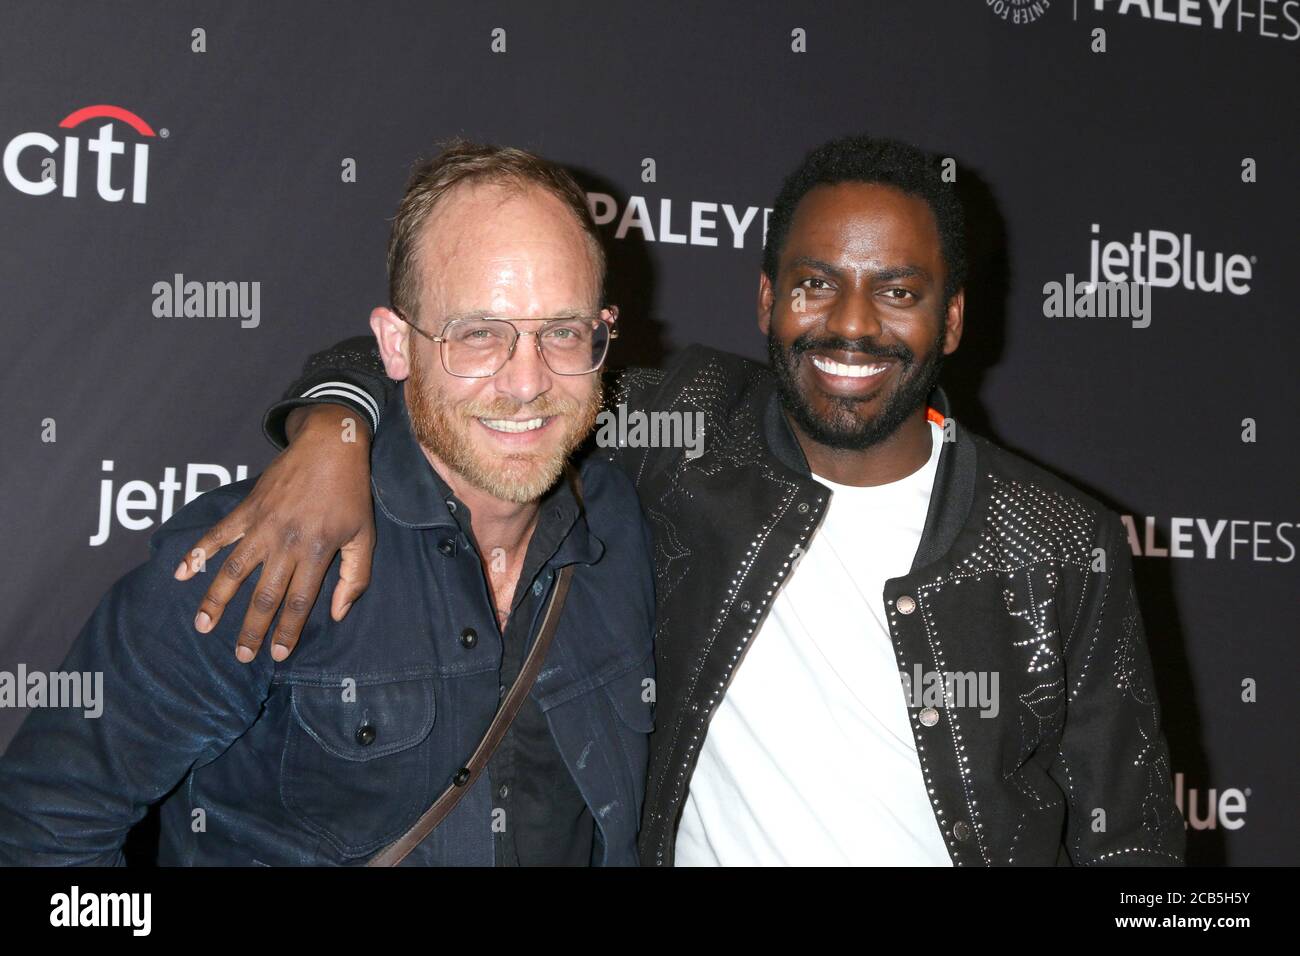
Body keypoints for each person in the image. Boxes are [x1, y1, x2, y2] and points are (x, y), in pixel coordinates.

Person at [177, 134, 1184, 866]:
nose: (850, 323)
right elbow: (467, 363)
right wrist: (333, 425)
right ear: (763, 298)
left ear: (952, 318)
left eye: (899, 291)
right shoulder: (686, 429)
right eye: (814, 283)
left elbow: (1132, 843)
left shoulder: (1057, 540)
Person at [0, 141, 655, 866]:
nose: (528, 381)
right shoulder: (268, 546)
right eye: (478, 336)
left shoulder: (628, 522)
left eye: (562, 332)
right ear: (396, 346)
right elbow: (39, 836)